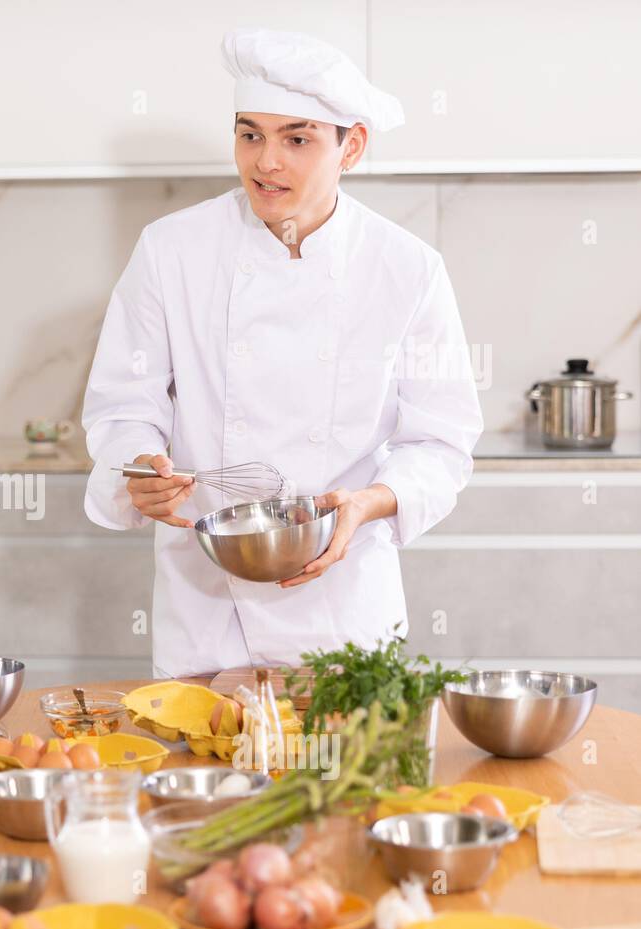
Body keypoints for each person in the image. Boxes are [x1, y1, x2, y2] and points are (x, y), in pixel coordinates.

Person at [82, 28, 483, 677]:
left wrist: (369, 502)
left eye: (296, 139)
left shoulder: (407, 269)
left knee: (341, 775)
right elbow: (123, 404)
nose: (266, 162)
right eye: (249, 134)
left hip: (343, 602)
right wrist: (139, 469)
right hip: (208, 600)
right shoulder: (172, 250)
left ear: (350, 145)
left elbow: (441, 444)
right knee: (205, 768)